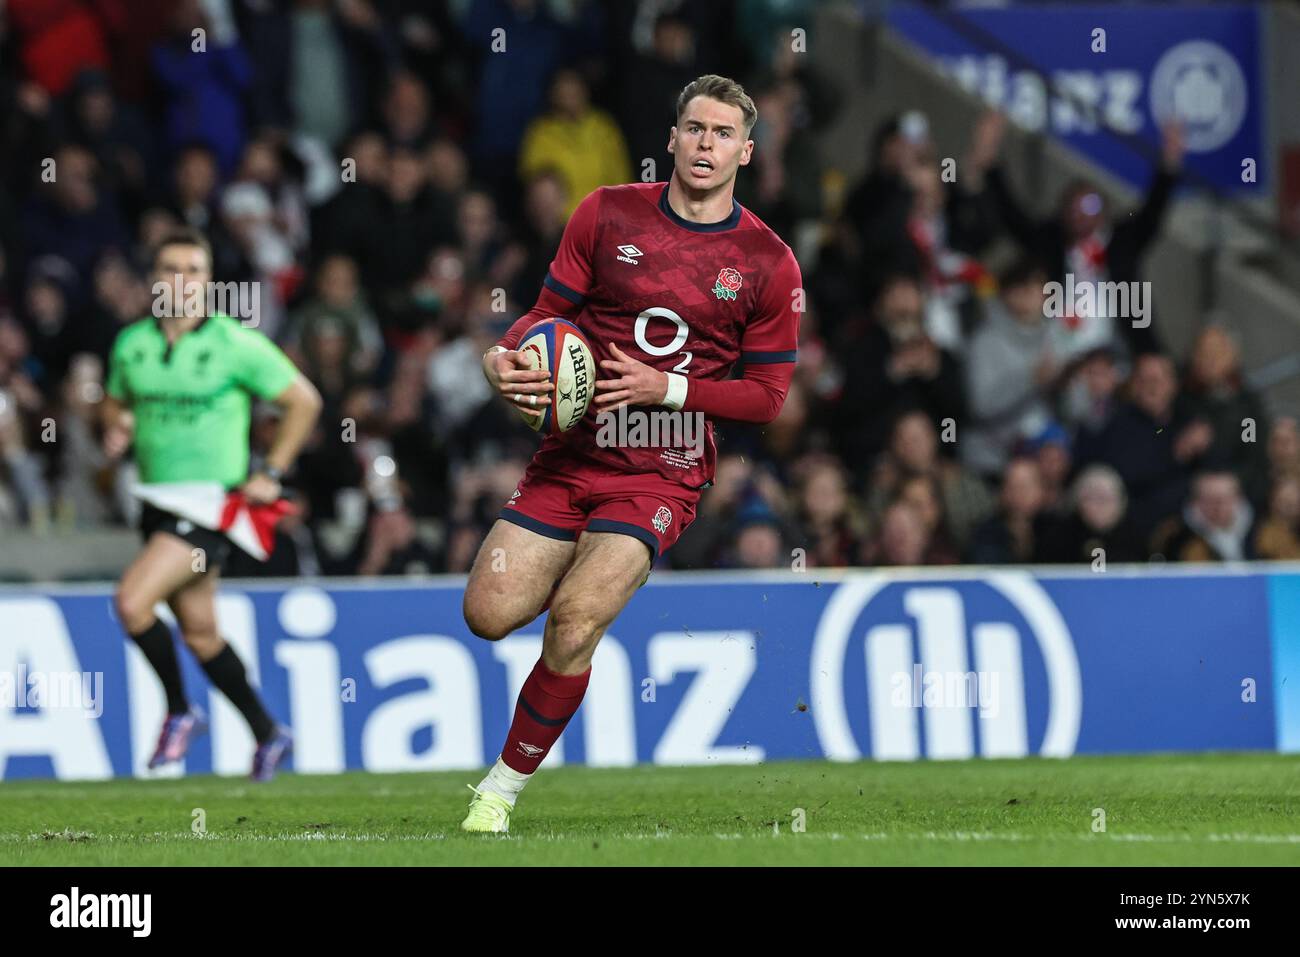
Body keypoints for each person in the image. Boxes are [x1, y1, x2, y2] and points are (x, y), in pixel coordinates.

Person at [459, 75, 800, 832]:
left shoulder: (769, 262)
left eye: (722, 134)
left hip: (662, 465)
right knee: (487, 613)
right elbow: (548, 317)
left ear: (746, 150)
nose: (706, 144)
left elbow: (769, 397)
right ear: (672, 139)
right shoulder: (605, 212)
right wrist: (502, 356)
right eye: (694, 129)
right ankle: (578, 595)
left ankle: (498, 792)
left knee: (576, 619)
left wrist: (667, 388)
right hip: (570, 453)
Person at [102, 227, 322, 780]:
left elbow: (303, 401)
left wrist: (270, 471)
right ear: (153, 280)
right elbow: (113, 402)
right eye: (171, 269)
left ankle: (179, 712)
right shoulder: (132, 345)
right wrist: (115, 425)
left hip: (211, 507)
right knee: (200, 631)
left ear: (210, 281)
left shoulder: (234, 343)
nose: (183, 280)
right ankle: (269, 733)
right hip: (155, 503)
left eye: (195, 270)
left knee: (132, 603)